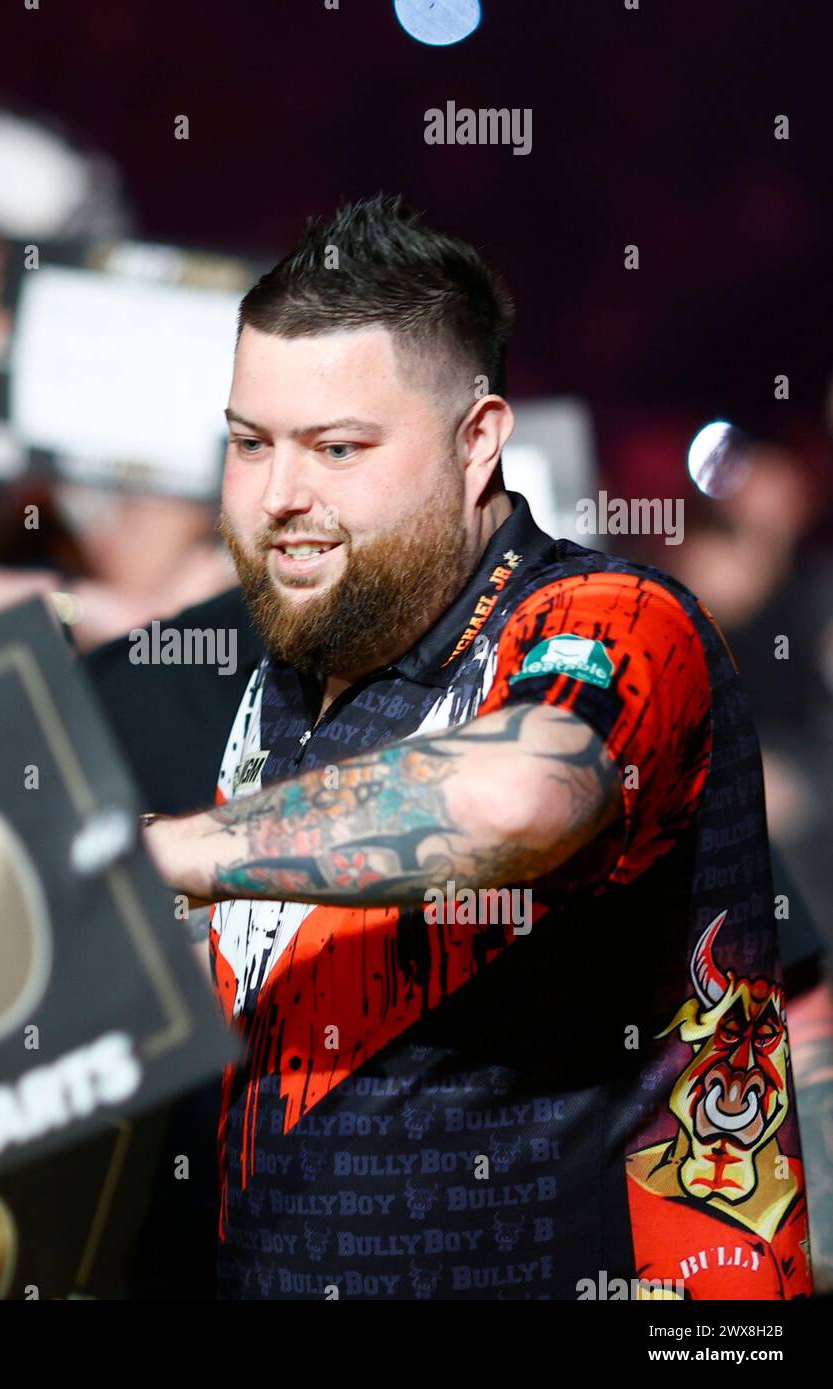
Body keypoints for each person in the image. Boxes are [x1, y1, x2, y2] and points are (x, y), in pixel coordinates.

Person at [135, 194, 812, 1299]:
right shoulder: (272, 644)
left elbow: (517, 797)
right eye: (249, 444)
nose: (280, 497)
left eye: (338, 447)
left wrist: (166, 854)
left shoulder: (615, 620)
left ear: (478, 440)